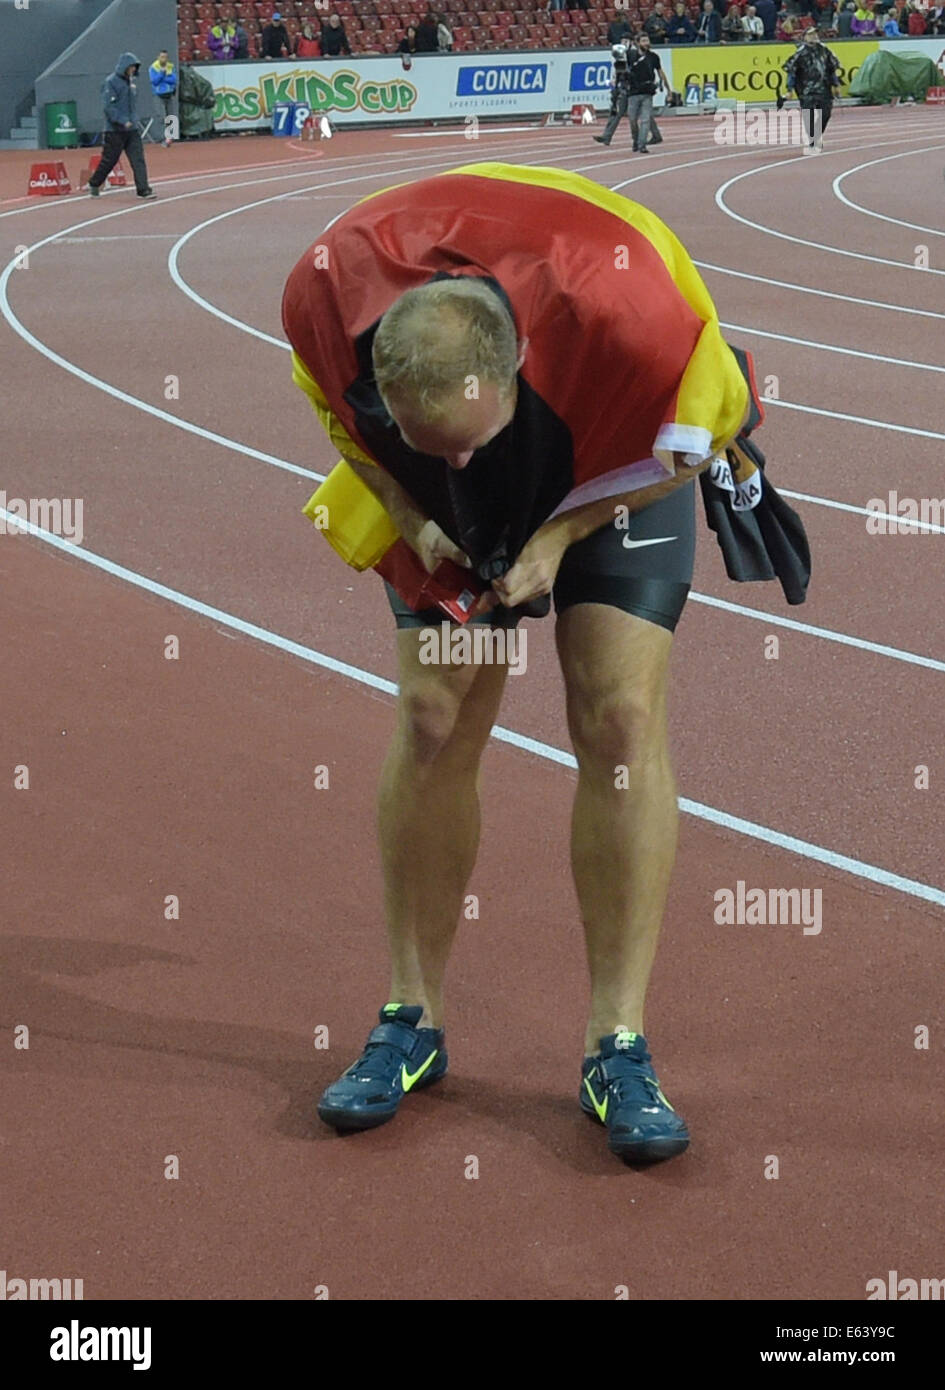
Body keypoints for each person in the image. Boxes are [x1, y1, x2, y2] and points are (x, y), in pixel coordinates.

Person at [283, 161, 808, 1164]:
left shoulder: (637, 324)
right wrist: (407, 507)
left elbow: (700, 439)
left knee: (615, 720)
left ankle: (618, 1043)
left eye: (471, 447)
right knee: (434, 715)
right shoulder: (322, 294)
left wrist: (563, 535)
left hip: (617, 452)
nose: (464, 471)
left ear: (516, 362)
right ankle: (411, 1018)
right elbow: (324, 402)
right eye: (432, 443)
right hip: (440, 466)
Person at [88, 53, 154, 198]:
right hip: (115, 131)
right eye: (131, 67)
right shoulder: (110, 82)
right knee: (109, 161)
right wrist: (123, 120)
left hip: (132, 130)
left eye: (134, 68)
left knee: (138, 160)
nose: (132, 70)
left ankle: (143, 189)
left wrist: (133, 120)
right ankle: (94, 182)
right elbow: (108, 107)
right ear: (124, 67)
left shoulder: (131, 83)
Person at [784, 26, 841, 150]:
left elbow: (831, 69)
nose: (814, 36)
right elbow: (791, 71)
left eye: (815, 34)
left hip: (824, 88)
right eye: (810, 34)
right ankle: (812, 139)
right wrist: (789, 89)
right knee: (808, 115)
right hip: (806, 90)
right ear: (805, 37)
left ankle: (816, 135)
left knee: (825, 113)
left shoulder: (825, 50)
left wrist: (836, 85)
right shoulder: (800, 53)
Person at [149, 50, 177, 146]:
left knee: (171, 116)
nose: (163, 59)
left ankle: (170, 138)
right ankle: (163, 137)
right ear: (158, 57)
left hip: (169, 94)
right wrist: (162, 74)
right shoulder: (153, 67)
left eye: (165, 57)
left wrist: (163, 78)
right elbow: (155, 81)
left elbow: (173, 80)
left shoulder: (170, 66)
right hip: (158, 94)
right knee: (162, 116)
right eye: (162, 57)